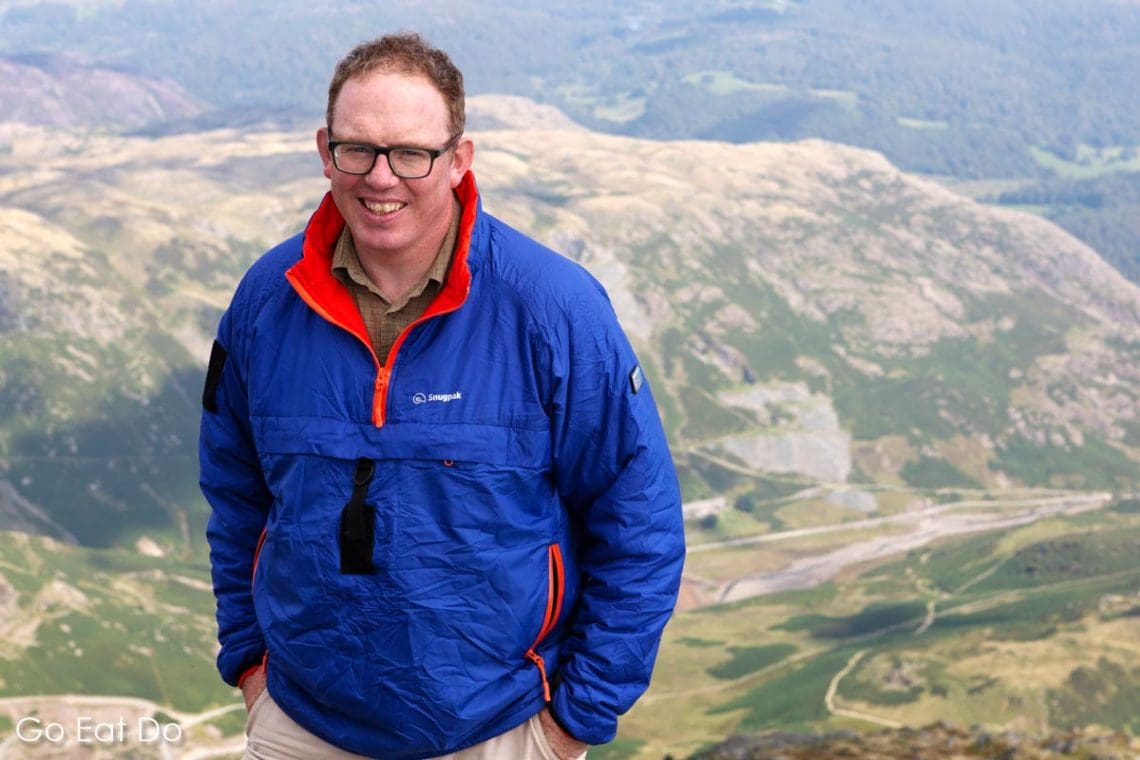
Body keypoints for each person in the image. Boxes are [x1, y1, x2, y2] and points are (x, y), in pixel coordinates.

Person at [199, 31, 685, 760]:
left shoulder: (552, 309)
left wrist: (572, 725)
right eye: (356, 149)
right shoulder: (268, 302)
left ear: (460, 159)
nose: (380, 177)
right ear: (324, 149)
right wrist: (251, 668)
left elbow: (639, 521)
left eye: (411, 153)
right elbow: (236, 493)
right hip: (300, 725)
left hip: (498, 731)